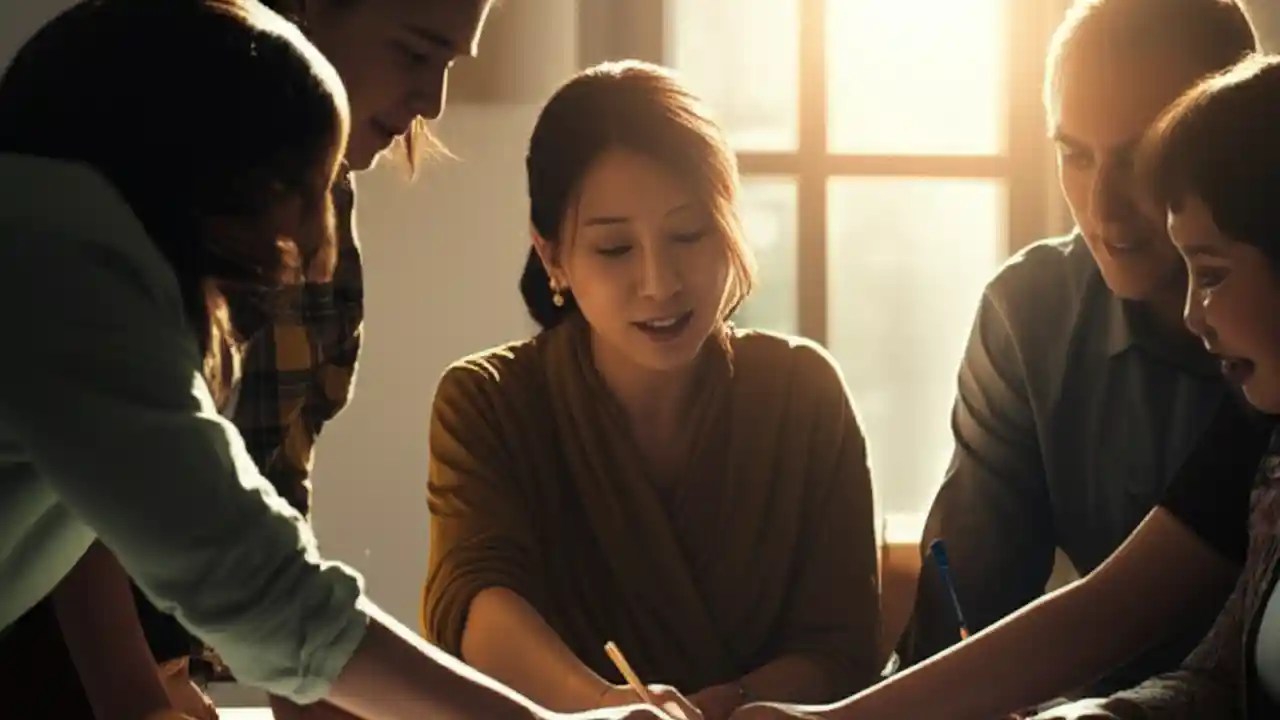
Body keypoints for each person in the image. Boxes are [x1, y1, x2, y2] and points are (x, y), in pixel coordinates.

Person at [0, 2, 669, 720]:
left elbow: (261, 531)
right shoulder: (69, 271)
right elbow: (257, 587)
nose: (307, 258)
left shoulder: (74, 238)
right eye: (416, 52)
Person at [420, 60, 882, 720]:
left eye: (689, 234)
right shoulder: (487, 402)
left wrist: (727, 706)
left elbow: (843, 646)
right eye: (615, 249)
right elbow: (476, 605)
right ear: (552, 257)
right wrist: (603, 708)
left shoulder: (803, 394)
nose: (660, 282)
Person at [1031, 50, 1280, 720]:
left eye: (1213, 274)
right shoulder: (1274, 472)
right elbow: (1218, 679)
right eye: (1075, 155)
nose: (1193, 314)